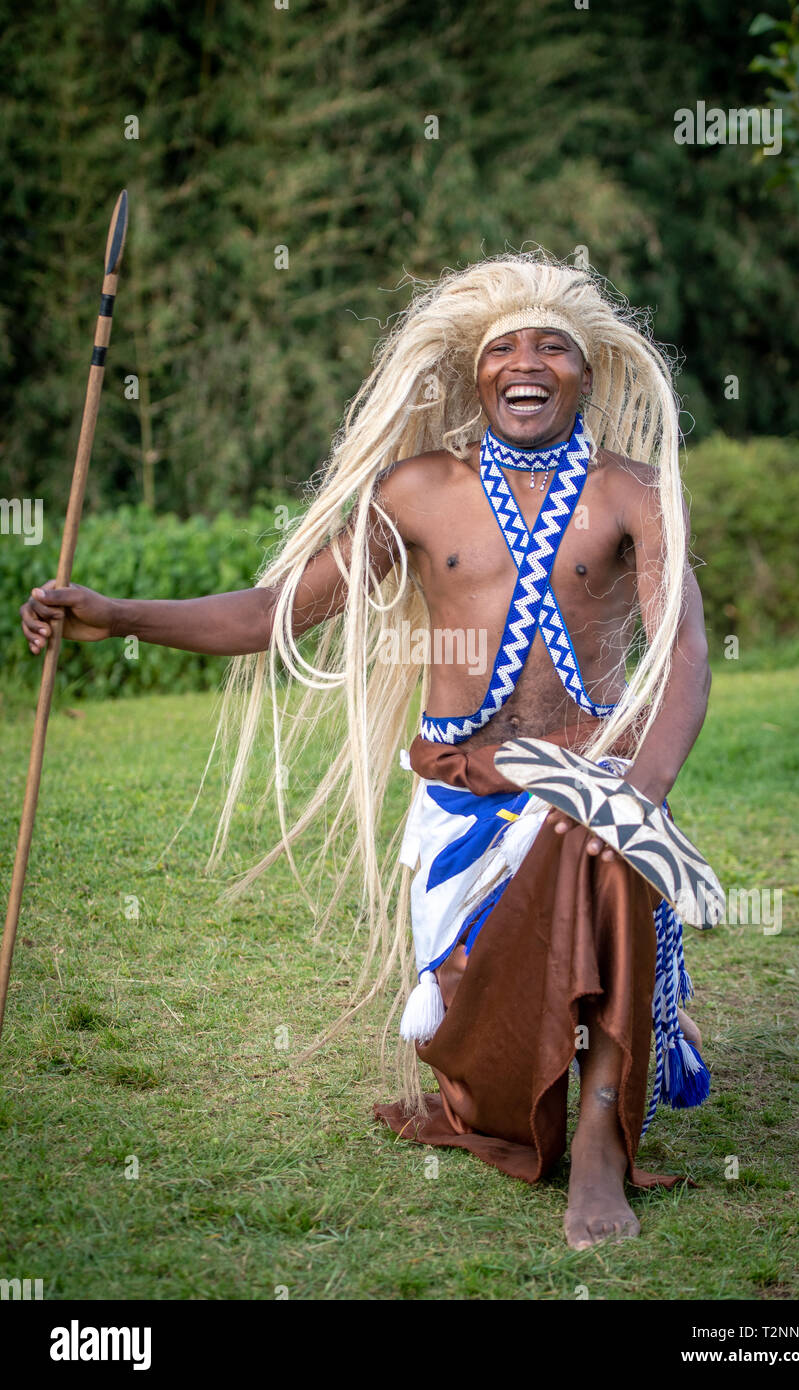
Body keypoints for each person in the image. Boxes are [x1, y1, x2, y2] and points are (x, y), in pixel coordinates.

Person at [20, 252, 711, 1250]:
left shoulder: (630, 494)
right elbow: (272, 612)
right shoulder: (418, 492)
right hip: (461, 807)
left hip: (589, 771)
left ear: (586, 371)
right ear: (473, 376)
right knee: (479, 1047)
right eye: (502, 347)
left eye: (550, 345)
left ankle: (600, 1142)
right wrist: (115, 613)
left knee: (593, 836)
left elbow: (684, 650)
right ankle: (534, 1050)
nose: (526, 362)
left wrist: (638, 796)